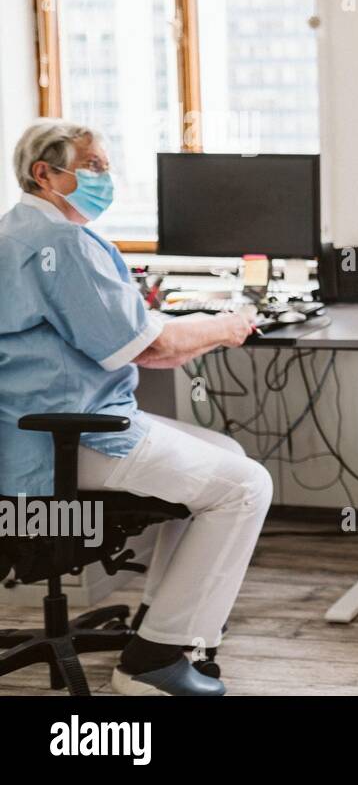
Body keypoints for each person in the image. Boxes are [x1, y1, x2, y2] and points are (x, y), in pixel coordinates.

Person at [0, 119, 271, 696]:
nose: (104, 176)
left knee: (223, 453)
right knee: (246, 486)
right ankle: (151, 663)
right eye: (91, 166)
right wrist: (224, 326)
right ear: (45, 173)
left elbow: (134, 341)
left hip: (43, 428)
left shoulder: (18, 231)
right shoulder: (60, 244)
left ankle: (159, 622)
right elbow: (150, 347)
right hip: (70, 439)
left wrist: (178, 332)